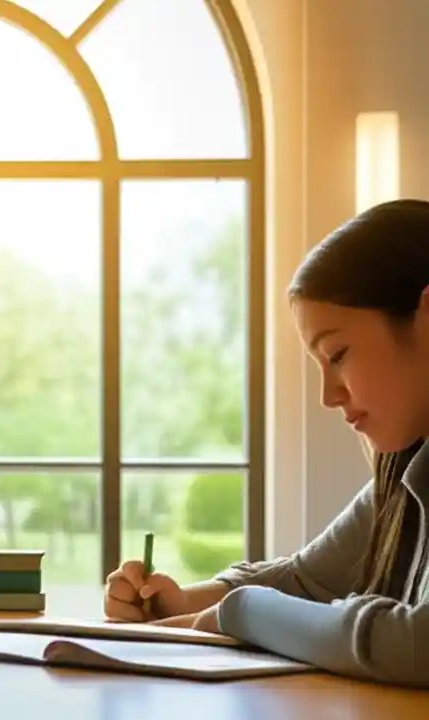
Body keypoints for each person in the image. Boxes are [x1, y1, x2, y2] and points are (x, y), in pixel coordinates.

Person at [103, 199, 429, 687]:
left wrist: (242, 612)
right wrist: (189, 602)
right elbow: (307, 581)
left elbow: (419, 645)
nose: (328, 395)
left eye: (338, 354)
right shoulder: (405, 474)